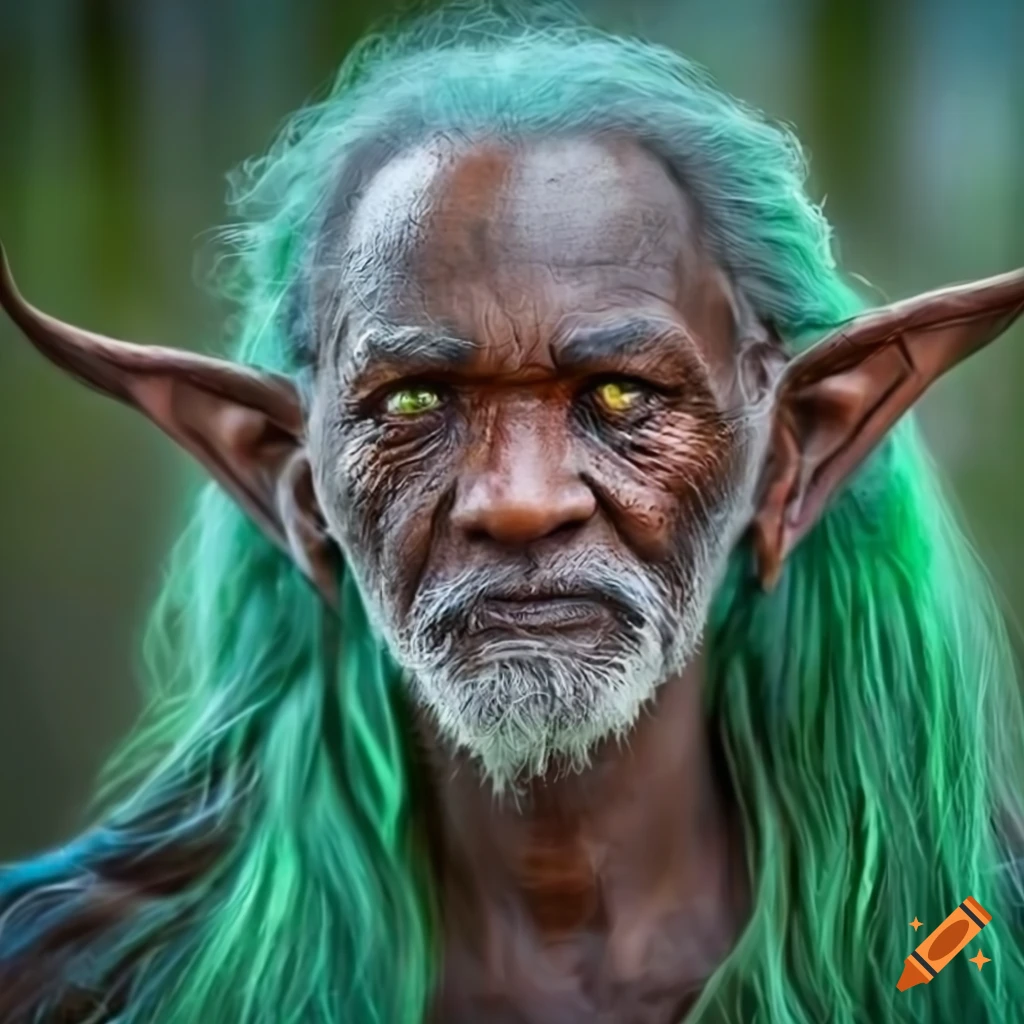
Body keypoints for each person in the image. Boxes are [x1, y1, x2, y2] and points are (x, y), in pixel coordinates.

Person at [2, 6, 1023, 1023]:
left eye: (622, 396)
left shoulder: (966, 952)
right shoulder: (71, 982)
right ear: (293, 484)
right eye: (411, 403)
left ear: (796, 450)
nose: (519, 500)